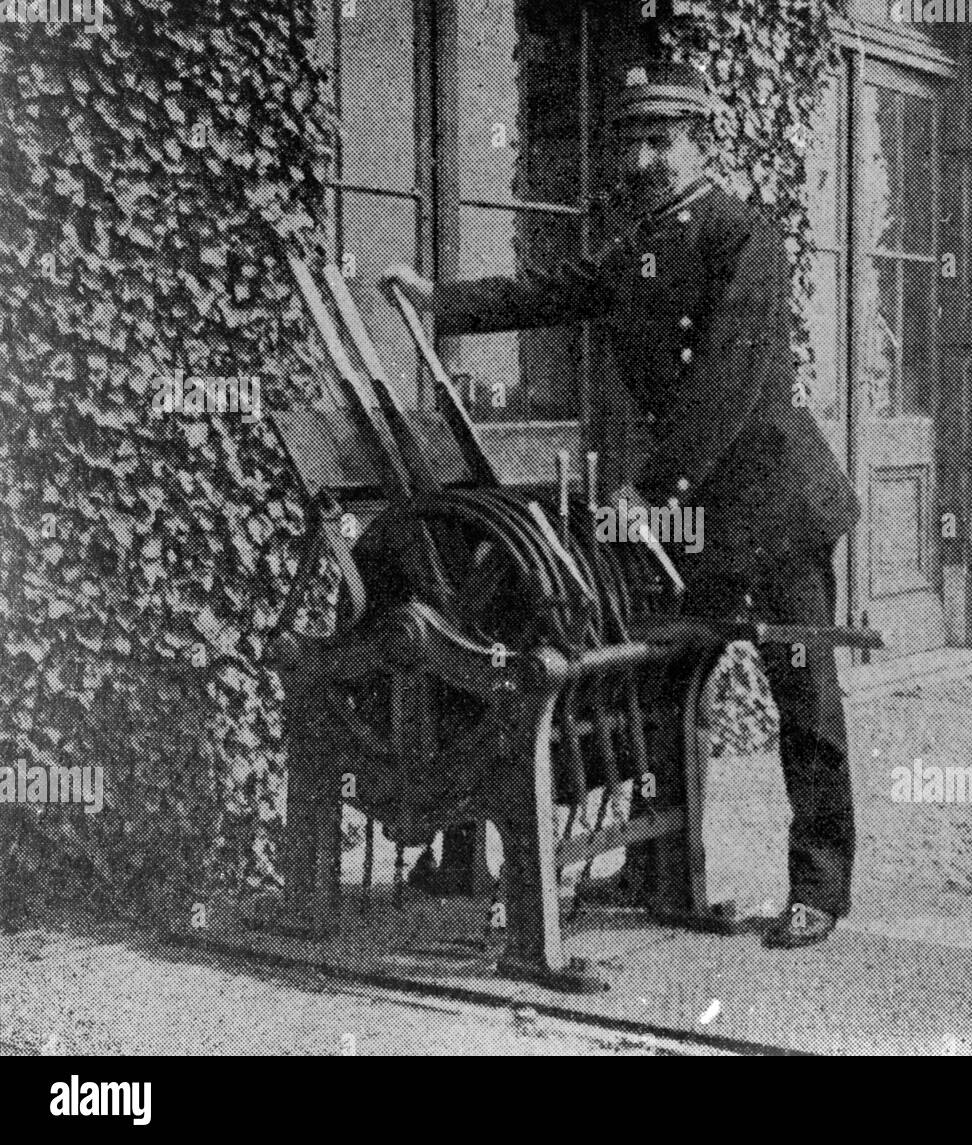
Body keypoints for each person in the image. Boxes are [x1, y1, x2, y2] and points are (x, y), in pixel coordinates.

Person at [381, 60, 860, 948]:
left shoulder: (742, 235)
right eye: (633, 142)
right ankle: (654, 862)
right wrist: (440, 300)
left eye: (662, 140)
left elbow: (728, 377)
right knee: (661, 685)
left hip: (772, 505)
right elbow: (550, 292)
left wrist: (655, 489)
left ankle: (819, 888)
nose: (645, 158)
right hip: (692, 522)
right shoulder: (639, 245)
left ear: (701, 144)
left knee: (805, 697)